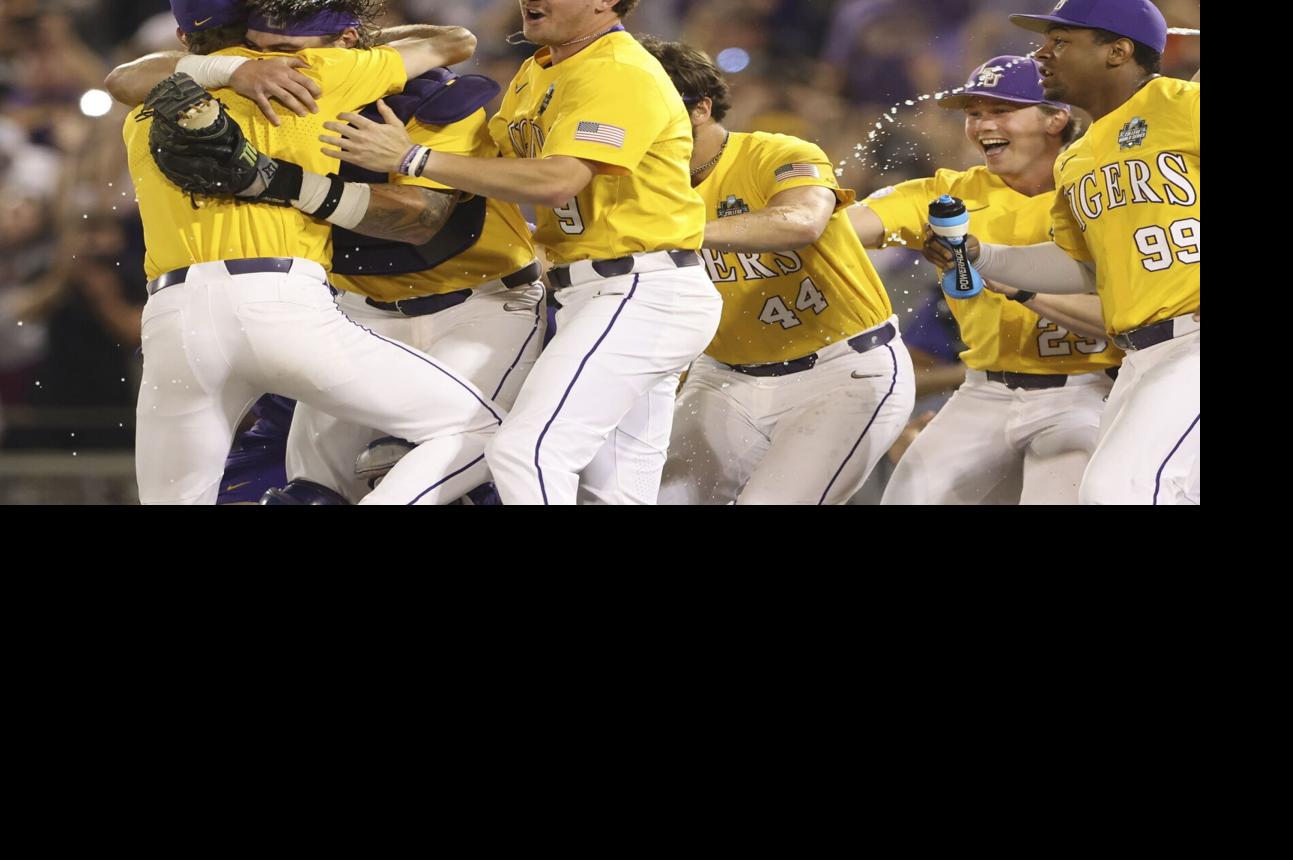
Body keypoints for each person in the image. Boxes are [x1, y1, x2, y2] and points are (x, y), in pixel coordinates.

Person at [319, 0, 721, 504]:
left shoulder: (618, 69)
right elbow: (495, 170)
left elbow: (558, 181)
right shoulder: (541, 68)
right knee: (611, 492)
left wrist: (411, 157)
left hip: (643, 288)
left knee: (527, 451)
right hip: (596, 292)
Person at [112, 0, 504, 504]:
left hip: (173, 320)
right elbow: (454, 42)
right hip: (281, 304)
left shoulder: (147, 103)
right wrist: (348, 42)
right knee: (480, 428)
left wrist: (229, 68)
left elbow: (121, 77)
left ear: (183, 38)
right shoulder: (314, 69)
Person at [926, 0, 1199, 504]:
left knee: (1118, 491)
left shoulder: (1184, 103)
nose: (1041, 53)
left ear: (1117, 51)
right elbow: (1080, 266)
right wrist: (982, 254)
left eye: (1060, 42)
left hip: (1193, 344)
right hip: (1143, 357)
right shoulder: (1076, 157)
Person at [640, 36, 913, 506]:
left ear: (699, 109)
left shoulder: (775, 152)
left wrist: (678, 229)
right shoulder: (636, 182)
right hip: (726, 378)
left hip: (842, 370)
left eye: (649, 107)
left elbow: (803, 222)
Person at [847, 54, 1123, 505]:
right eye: (974, 113)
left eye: (1000, 111)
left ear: (1055, 117)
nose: (981, 125)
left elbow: (1123, 315)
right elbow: (839, 228)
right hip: (984, 391)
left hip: (1090, 391)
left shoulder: (1100, 188)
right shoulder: (949, 194)